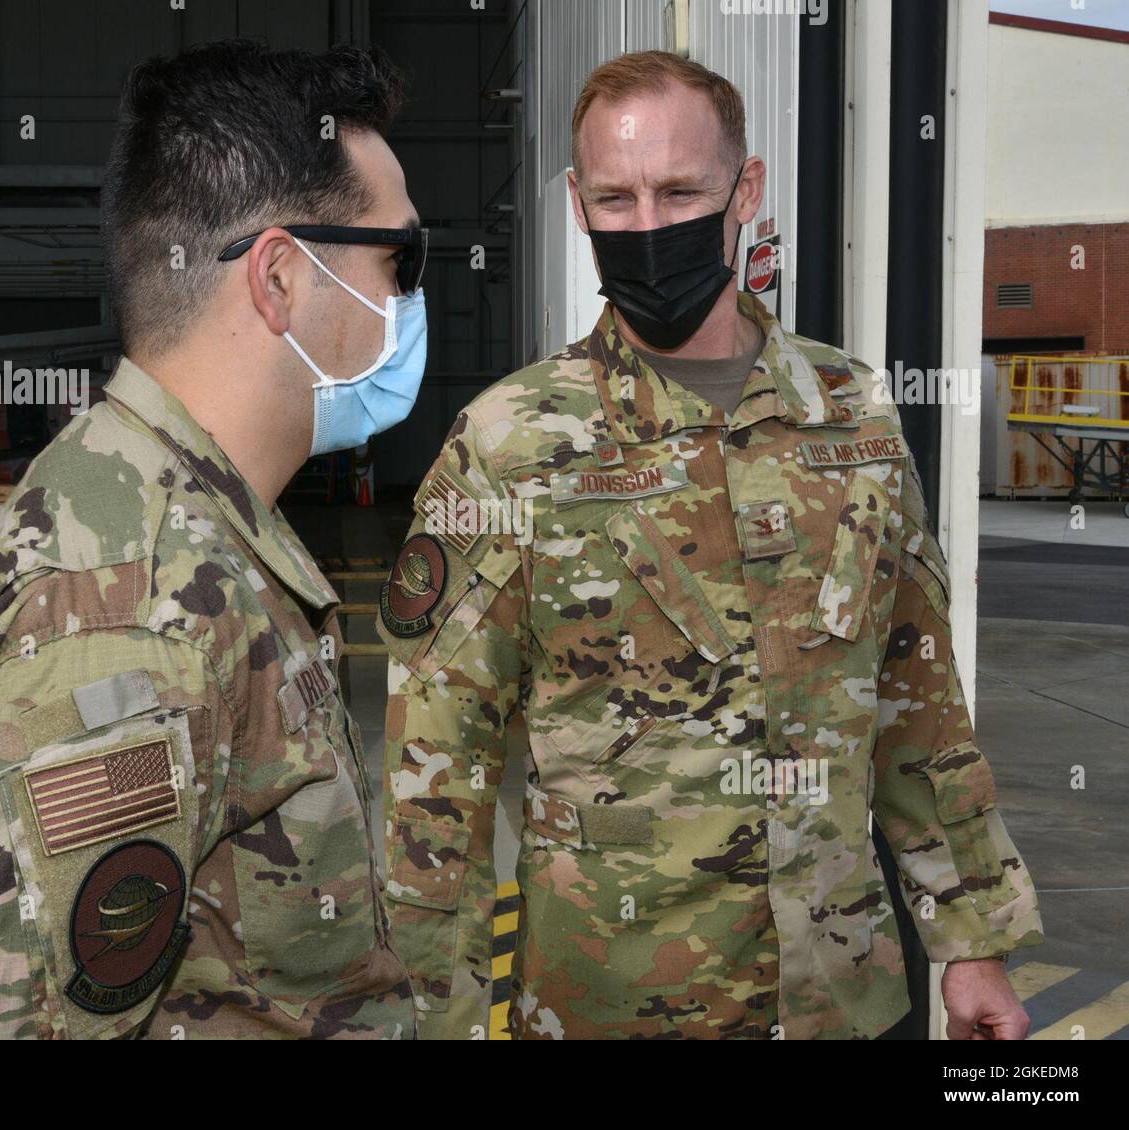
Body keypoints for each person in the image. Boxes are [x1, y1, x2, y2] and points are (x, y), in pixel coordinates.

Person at [377, 50, 1042, 1040]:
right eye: (616, 197)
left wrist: (971, 938)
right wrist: (438, 1014)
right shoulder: (510, 445)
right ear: (576, 203)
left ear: (746, 189)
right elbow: (439, 767)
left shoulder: (851, 416)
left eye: (681, 190)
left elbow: (918, 705)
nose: (648, 227)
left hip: (843, 992)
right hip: (616, 999)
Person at [0, 39, 428, 1039]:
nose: (405, 302)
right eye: (398, 261)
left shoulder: (173, 522)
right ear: (279, 280)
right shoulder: (133, 615)